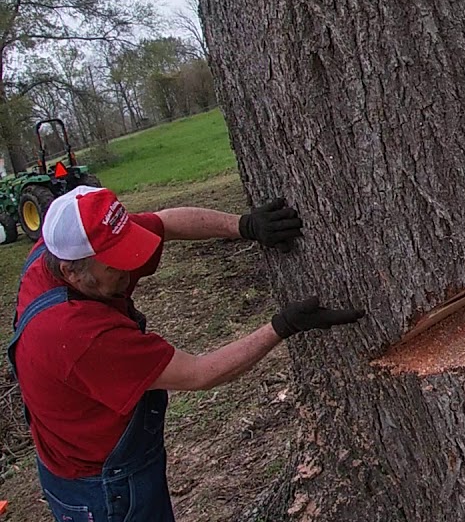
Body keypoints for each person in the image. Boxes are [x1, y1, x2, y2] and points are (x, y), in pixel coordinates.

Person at [7, 185, 364, 522]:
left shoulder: (60, 251)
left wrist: (245, 226)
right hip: (102, 487)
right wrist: (283, 326)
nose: (130, 267)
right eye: (116, 264)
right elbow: (199, 373)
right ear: (72, 272)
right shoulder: (79, 335)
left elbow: (165, 222)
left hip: (73, 450)